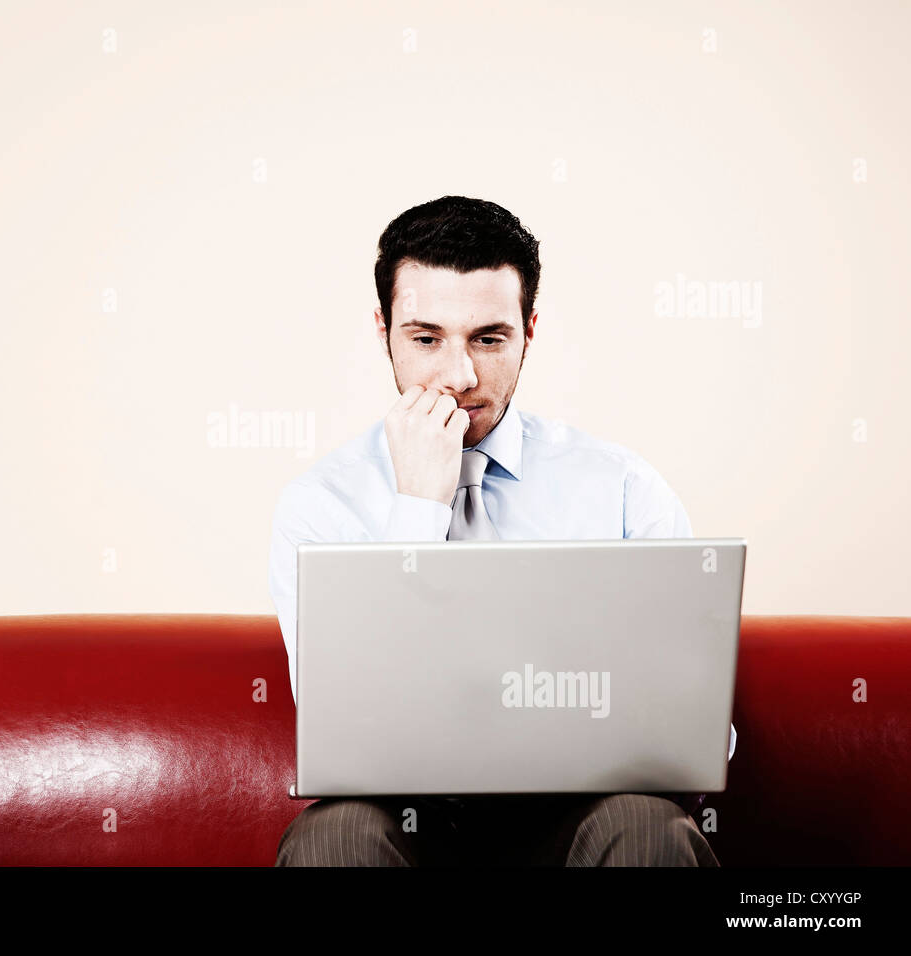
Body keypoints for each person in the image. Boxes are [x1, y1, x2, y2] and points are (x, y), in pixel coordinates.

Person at [267, 195, 732, 866]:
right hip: (402, 826)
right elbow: (353, 732)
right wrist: (420, 506)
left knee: (647, 827)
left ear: (530, 330)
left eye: (489, 338)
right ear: (383, 331)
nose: (458, 377)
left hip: (579, 819)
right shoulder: (319, 505)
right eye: (425, 339)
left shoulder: (624, 488)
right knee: (331, 840)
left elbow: (701, 736)